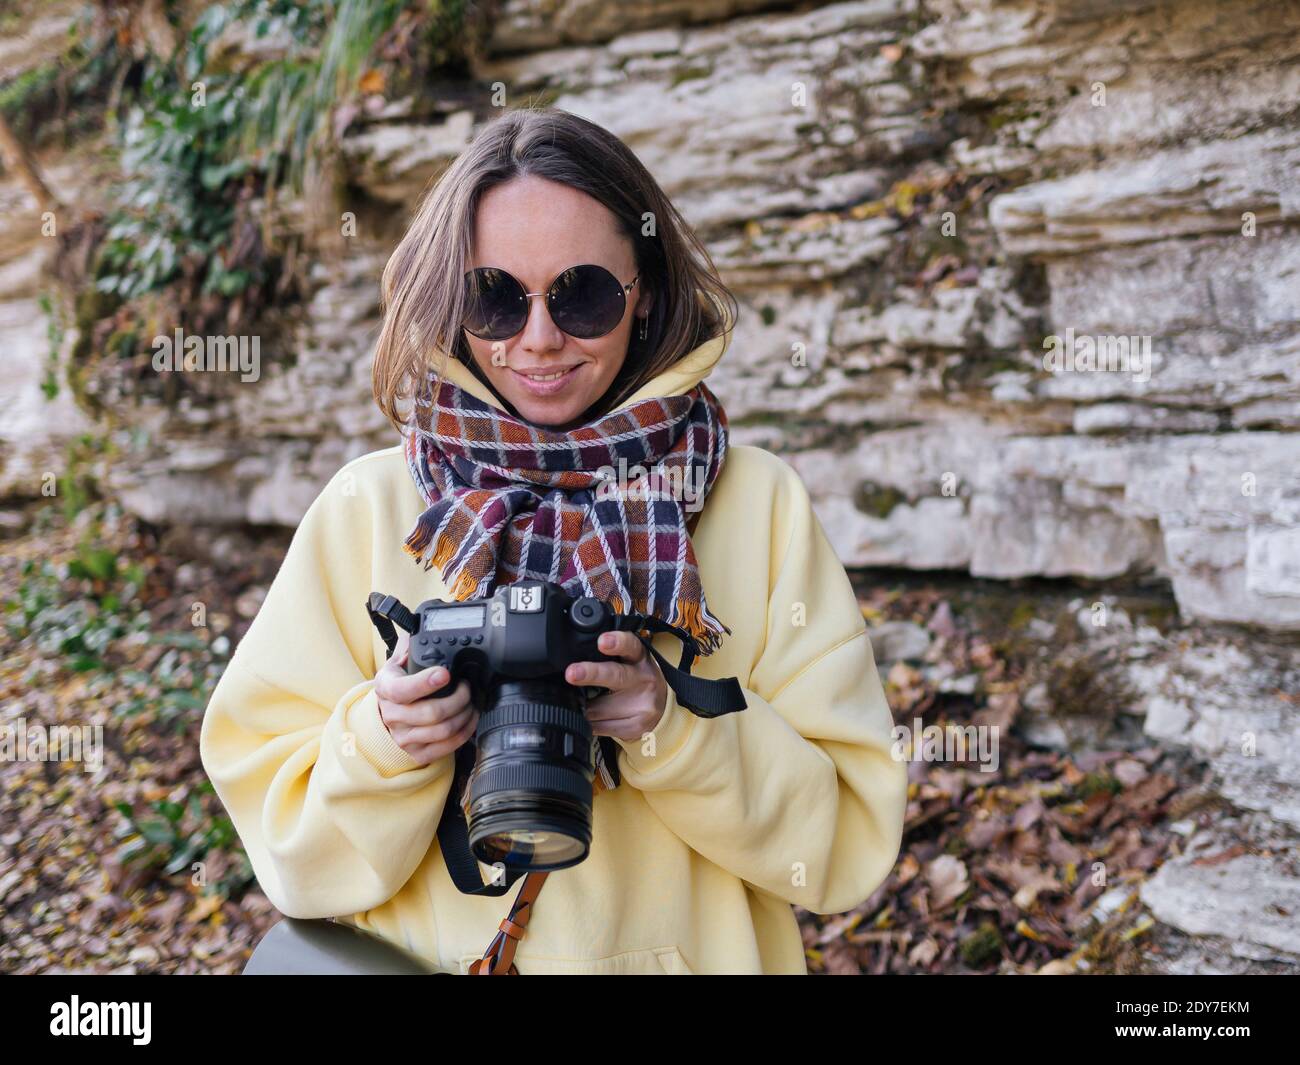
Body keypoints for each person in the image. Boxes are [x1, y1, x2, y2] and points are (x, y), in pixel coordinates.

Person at [199, 105, 907, 975]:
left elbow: (843, 846)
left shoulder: (754, 505)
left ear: (640, 293)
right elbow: (292, 861)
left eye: (583, 295)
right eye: (495, 297)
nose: (539, 338)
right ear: (450, 305)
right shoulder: (368, 510)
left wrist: (672, 729)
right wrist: (386, 737)